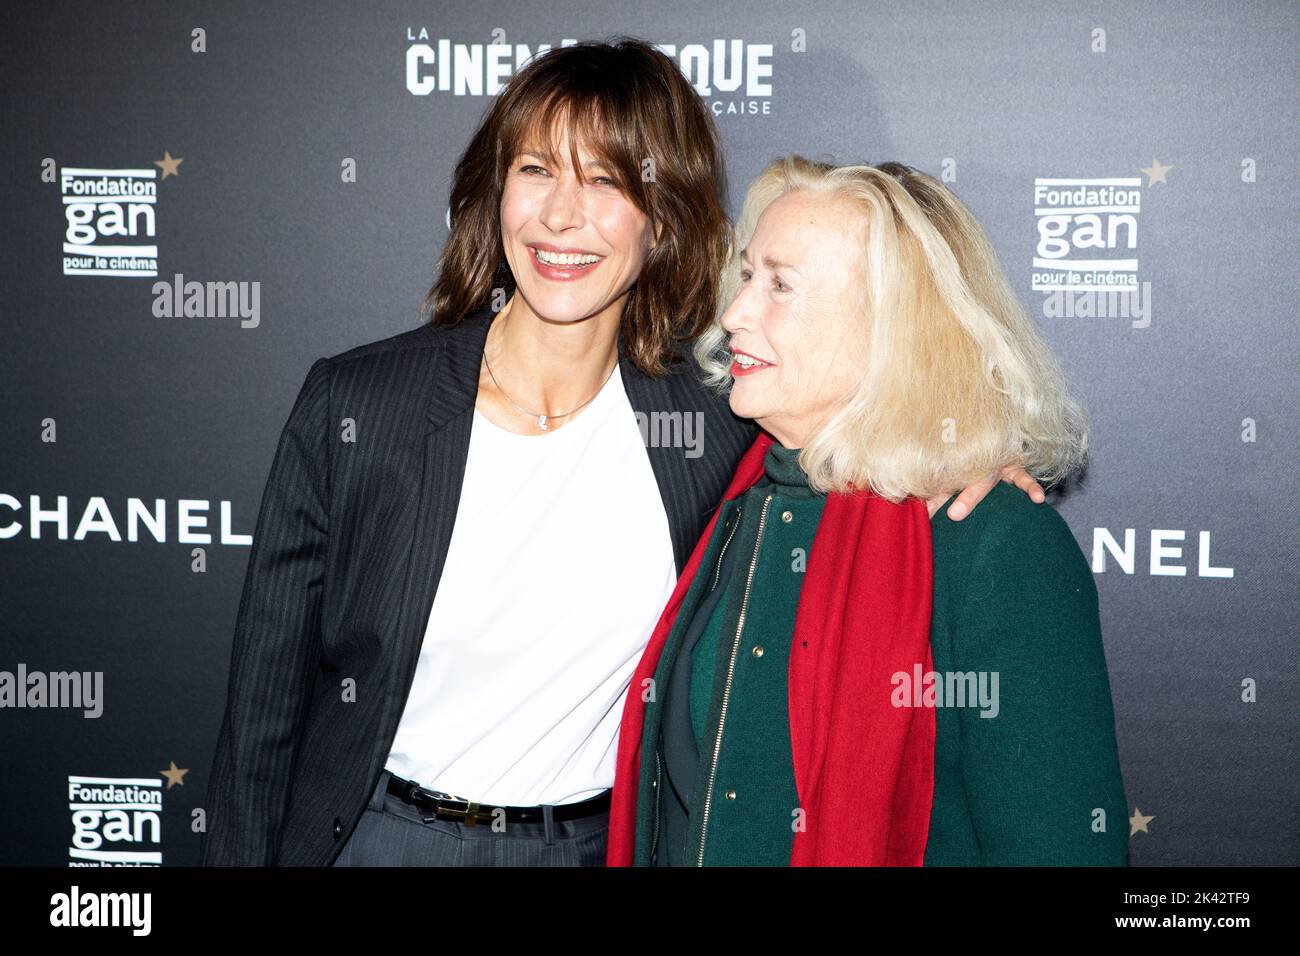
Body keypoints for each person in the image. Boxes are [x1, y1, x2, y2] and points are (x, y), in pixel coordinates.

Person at [200, 40, 1043, 868]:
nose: (560, 215)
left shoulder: (718, 423)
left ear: (662, 221)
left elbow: (859, 425)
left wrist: (968, 460)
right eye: (535, 171)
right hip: (379, 838)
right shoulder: (361, 407)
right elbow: (261, 715)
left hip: (591, 848)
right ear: (496, 194)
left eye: (604, 181)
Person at [607, 156, 1129, 866]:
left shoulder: (991, 541)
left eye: (781, 286)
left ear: (892, 330)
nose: (734, 314)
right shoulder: (737, 489)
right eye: (749, 274)